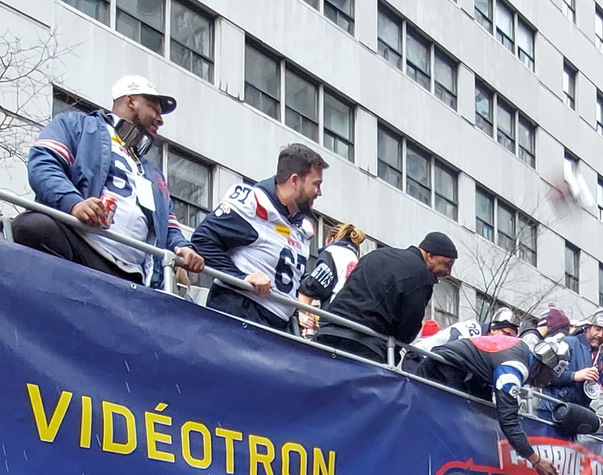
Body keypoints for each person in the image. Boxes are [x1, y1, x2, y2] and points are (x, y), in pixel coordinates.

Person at [19, 75, 205, 287]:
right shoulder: (77, 126)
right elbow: (43, 164)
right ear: (131, 101)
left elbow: (169, 225)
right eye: (154, 108)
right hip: (81, 245)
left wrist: (184, 247)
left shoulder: (153, 174)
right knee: (33, 226)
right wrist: (74, 203)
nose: (160, 119)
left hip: (134, 275)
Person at [190, 144, 327, 331]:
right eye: (316, 184)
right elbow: (203, 240)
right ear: (295, 180)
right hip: (242, 314)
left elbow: (289, 275)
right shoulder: (254, 204)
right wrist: (241, 278)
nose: (319, 192)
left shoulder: (301, 227)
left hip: (279, 326)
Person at [404, 333, 567, 475]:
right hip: (442, 370)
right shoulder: (514, 368)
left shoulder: (522, 350)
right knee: (445, 437)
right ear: (543, 365)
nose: (548, 383)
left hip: (459, 371)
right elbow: (509, 422)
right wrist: (536, 461)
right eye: (550, 376)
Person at [313, 232, 456, 360]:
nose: (448, 272)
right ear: (430, 256)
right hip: (366, 346)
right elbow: (408, 329)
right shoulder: (421, 276)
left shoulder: (376, 255)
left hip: (329, 331)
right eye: (447, 264)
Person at [545, 311, 603, 411]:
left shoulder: (600, 358)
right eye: (598, 329)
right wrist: (574, 376)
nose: (600, 335)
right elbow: (545, 376)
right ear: (588, 327)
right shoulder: (568, 343)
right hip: (551, 409)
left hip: (574, 412)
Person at [296, 221, 367, 334]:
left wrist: (303, 313)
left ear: (331, 239)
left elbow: (313, 285)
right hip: (351, 324)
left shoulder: (332, 252)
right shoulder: (358, 262)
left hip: (332, 322)